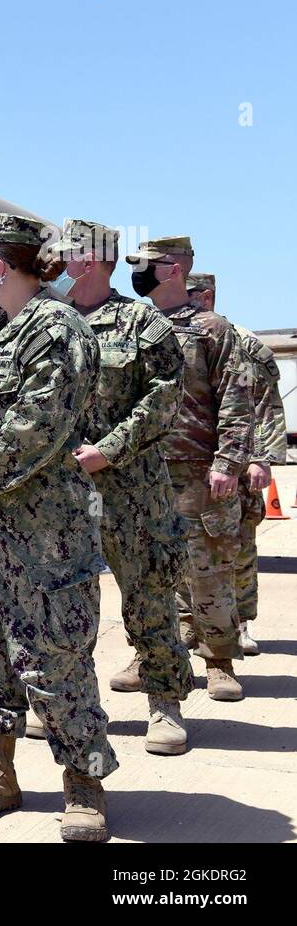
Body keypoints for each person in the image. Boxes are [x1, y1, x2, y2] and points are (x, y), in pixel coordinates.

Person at [0, 211, 116, 842]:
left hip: (45, 538)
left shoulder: (57, 329)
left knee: (57, 657)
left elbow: (36, 428)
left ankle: (83, 784)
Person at [22, 219, 193, 756]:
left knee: (148, 600)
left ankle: (165, 705)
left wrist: (110, 449)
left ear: (90, 260)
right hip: (64, 497)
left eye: (66, 254)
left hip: (132, 494)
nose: (55, 266)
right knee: (65, 605)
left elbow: (164, 399)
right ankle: (68, 708)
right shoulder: (49, 324)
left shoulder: (142, 323)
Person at [128, 240, 254, 700]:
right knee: (146, 571)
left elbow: (237, 401)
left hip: (198, 470)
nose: (137, 274)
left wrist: (228, 462)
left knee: (208, 568)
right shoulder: (135, 325)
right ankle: (149, 654)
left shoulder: (212, 329)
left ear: (176, 269)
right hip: (142, 471)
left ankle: (219, 659)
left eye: (146, 266)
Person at [187, 273, 287, 656]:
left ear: (207, 296)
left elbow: (265, 405)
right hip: (195, 463)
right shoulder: (176, 335)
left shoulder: (244, 343)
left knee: (238, 547)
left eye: (192, 295)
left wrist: (261, 459)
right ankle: (193, 626)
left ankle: (240, 623)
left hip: (238, 464)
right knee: (190, 551)